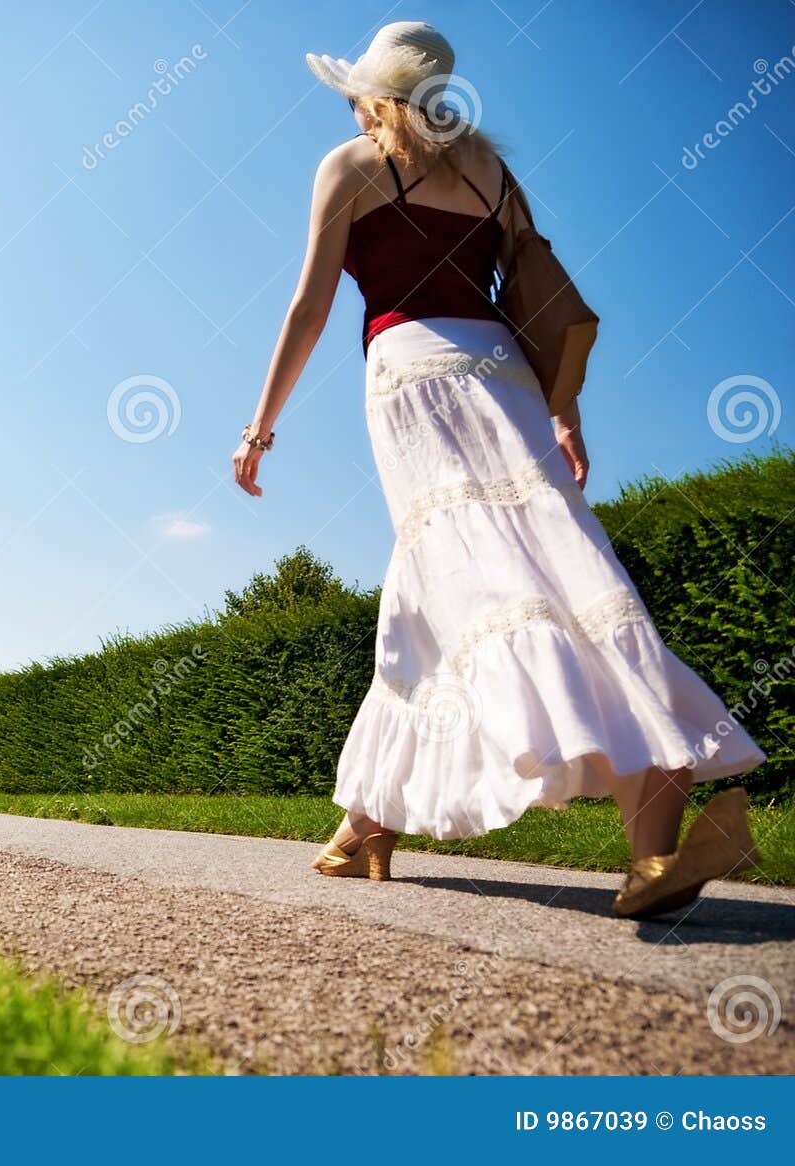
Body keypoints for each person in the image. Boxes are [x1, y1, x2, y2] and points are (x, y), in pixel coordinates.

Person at [230, 21, 766, 919]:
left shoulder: (351, 165)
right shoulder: (491, 172)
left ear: (373, 94)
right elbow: (540, 292)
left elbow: (311, 305)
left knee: (493, 574)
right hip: (507, 374)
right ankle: (368, 824)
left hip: (414, 378)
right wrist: (564, 408)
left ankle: (657, 802)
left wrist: (259, 427)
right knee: (454, 578)